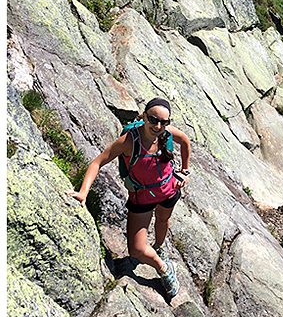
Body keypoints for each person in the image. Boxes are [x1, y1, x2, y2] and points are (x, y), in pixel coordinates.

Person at [66, 98, 191, 298]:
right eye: (153, 119)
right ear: (144, 117)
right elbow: (97, 162)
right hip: (142, 197)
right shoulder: (130, 141)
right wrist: (83, 192)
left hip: (168, 190)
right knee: (137, 250)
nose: (158, 126)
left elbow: (185, 141)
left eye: (164, 122)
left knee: (162, 220)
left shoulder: (166, 133)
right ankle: (164, 268)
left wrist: (185, 171)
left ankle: (159, 248)